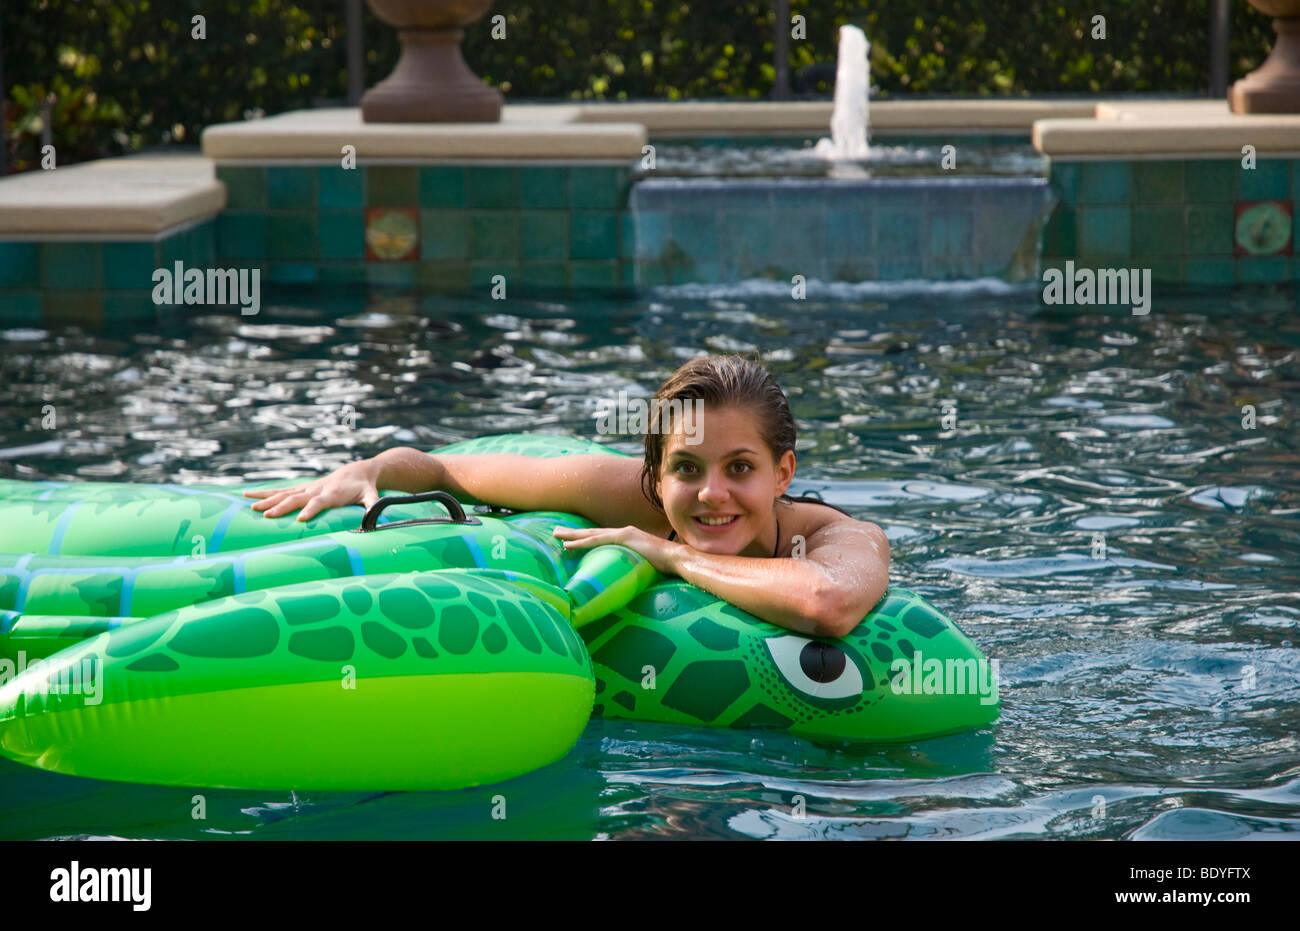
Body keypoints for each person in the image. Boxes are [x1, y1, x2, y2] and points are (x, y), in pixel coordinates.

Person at [243, 354, 890, 639]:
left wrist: (668, 556)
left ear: (783, 474)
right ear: (656, 476)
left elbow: (826, 603)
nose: (710, 493)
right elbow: (448, 469)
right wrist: (371, 466)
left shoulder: (842, 538)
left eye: (740, 467)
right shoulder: (623, 493)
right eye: (687, 468)